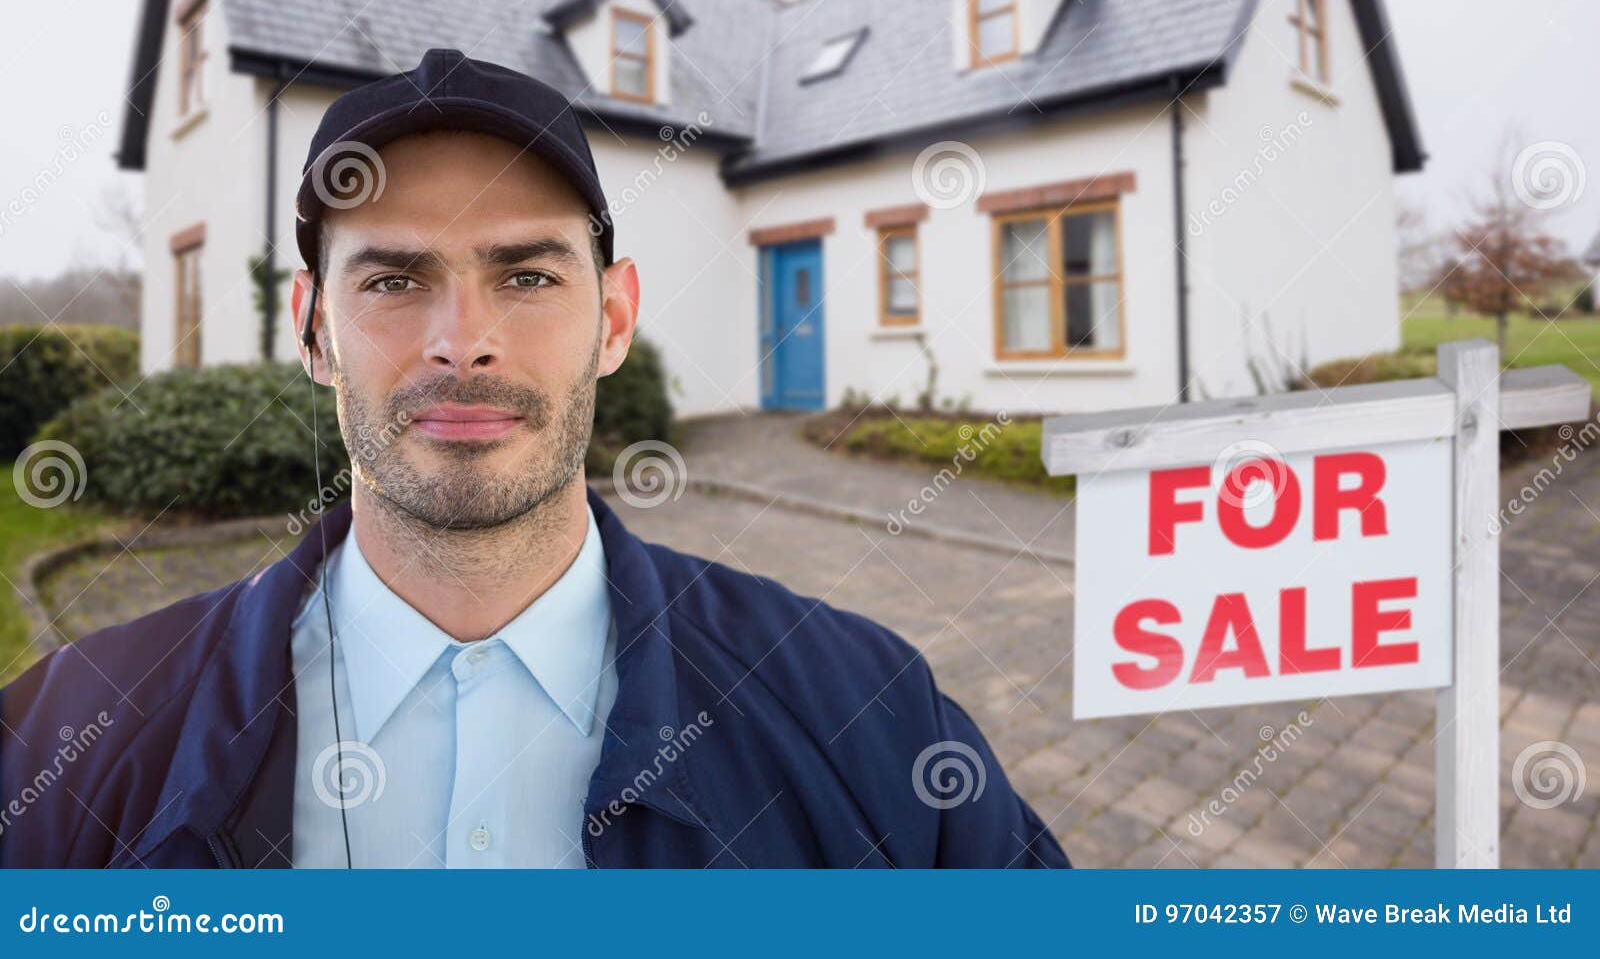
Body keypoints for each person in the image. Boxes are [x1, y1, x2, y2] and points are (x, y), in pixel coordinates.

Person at [0, 49, 1069, 870]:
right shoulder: (64, 744)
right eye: (391, 281)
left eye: (525, 277)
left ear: (614, 319)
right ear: (313, 330)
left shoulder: (868, 711)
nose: (462, 340)